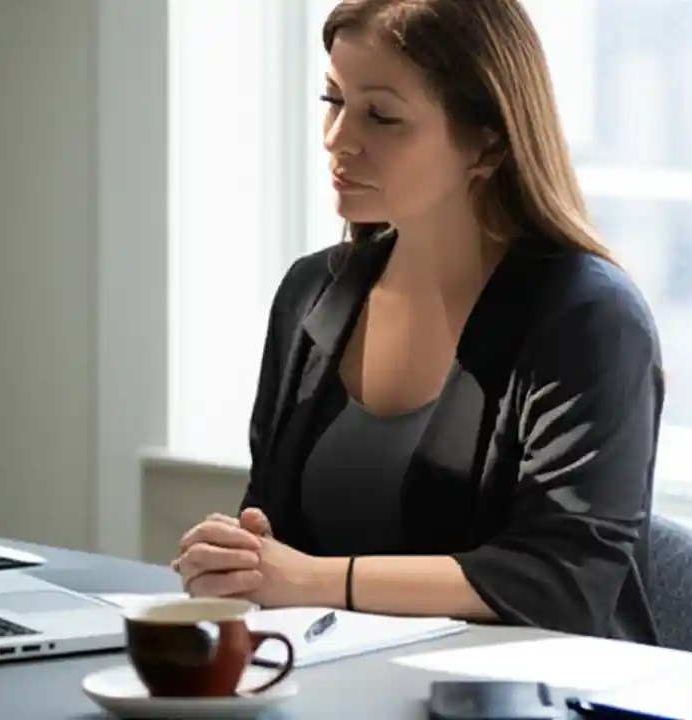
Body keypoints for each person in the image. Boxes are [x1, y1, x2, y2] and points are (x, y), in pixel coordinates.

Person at [170, 0, 664, 644]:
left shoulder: (590, 319)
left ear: (487, 141)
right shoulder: (309, 295)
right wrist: (235, 562)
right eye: (333, 99)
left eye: (381, 115)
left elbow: (560, 582)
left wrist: (314, 579)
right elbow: (273, 536)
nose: (337, 138)